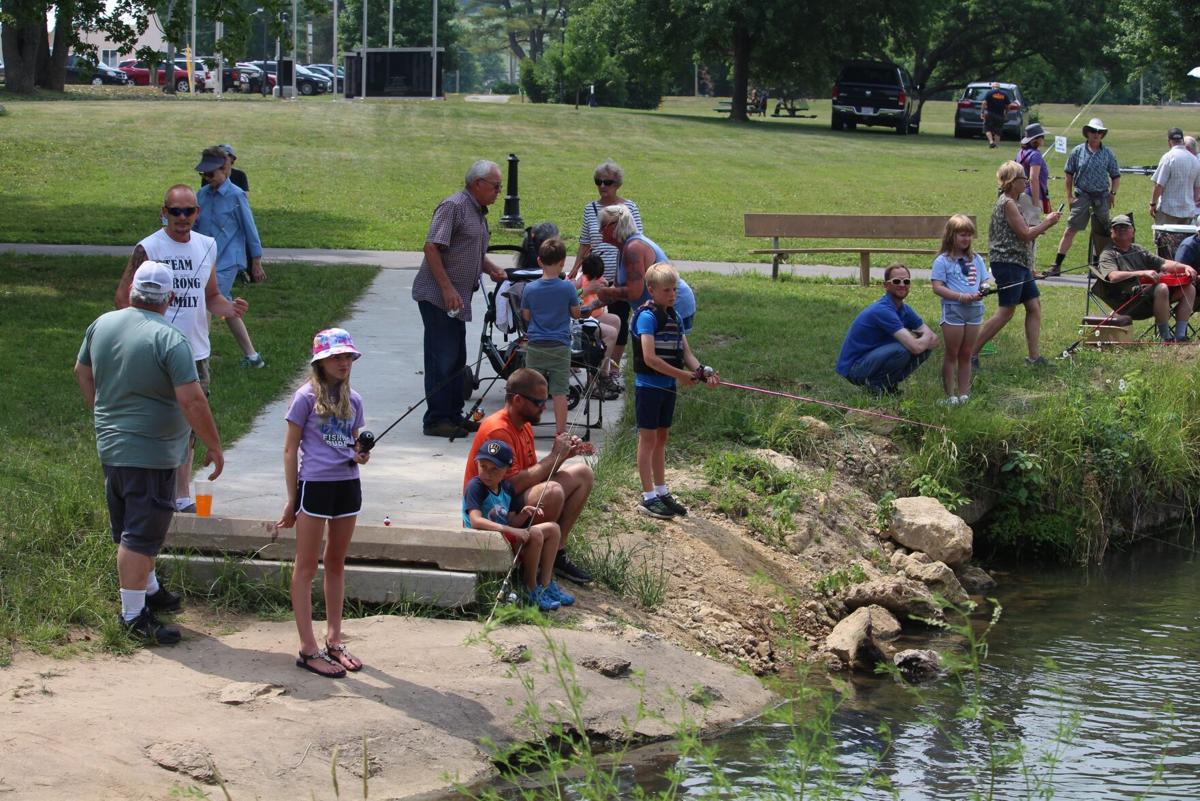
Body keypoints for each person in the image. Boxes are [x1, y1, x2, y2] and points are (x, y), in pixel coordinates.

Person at [74, 261, 224, 644]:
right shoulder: (170, 339)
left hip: (112, 447)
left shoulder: (102, 325)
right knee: (140, 535)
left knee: (137, 526)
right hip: (151, 454)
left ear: (132, 292)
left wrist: (100, 410)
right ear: (169, 298)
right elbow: (193, 400)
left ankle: (150, 589)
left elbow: (82, 371)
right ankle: (132, 617)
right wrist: (213, 444)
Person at [114, 184, 248, 513]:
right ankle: (151, 491)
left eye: (188, 211)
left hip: (195, 352)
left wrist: (229, 308)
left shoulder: (207, 246)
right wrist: (142, 333)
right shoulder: (148, 247)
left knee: (188, 424)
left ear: (197, 213)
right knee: (156, 419)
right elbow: (122, 298)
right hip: (156, 350)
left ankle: (181, 494)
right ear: (164, 212)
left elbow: (211, 296)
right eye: (175, 211)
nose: (182, 217)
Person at [276, 328, 371, 678]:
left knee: (336, 562)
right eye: (336, 357)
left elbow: (354, 443)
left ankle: (334, 640)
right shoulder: (304, 397)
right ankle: (307, 648)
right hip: (315, 485)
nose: (343, 363)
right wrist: (292, 498)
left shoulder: (354, 399)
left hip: (347, 485)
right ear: (321, 361)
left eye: (347, 357)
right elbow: (290, 449)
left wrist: (361, 454)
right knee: (305, 566)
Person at [464, 368, 596, 585]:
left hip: (510, 496)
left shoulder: (523, 425)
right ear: (517, 400)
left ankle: (556, 552)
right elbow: (510, 486)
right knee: (552, 492)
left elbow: (534, 474)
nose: (544, 407)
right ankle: (528, 562)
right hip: (494, 505)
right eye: (539, 402)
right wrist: (554, 456)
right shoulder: (499, 430)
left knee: (583, 474)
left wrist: (563, 456)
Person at [412, 159, 508, 438]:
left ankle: (453, 415)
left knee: (456, 358)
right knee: (442, 357)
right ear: (478, 183)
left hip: (457, 300)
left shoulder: (477, 211)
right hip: (438, 296)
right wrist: (447, 288)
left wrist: (491, 269)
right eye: (496, 186)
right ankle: (436, 419)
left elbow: (470, 252)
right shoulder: (453, 206)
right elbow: (431, 247)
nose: (499, 192)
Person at [631, 263, 719, 520]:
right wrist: (681, 375)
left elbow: (686, 354)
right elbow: (650, 358)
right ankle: (648, 497)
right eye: (667, 290)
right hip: (648, 388)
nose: (672, 295)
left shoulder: (675, 317)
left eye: (675, 290)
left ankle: (662, 491)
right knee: (648, 440)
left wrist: (702, 373)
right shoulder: (646, 317)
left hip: (667, 388)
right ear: (651, 290)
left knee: (662, 438)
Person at [591, 205, 698, 381]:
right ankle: (669, 384)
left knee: (667, 356)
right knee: (658, 360)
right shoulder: (624, 248)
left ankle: (672, 384)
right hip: (657, 307)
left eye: (603, 226)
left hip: (673, 302)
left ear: (616, 226)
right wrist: (593, 306)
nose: (599, 231)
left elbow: (633, 292)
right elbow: (618, 290)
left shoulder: (634, 248)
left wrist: (605, 291)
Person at [972, 161, 1062, 367]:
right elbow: (1025, 234)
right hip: (1008, 263)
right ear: (1012, 182)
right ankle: (970, 354)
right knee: (1006, 311)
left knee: (1034, 306)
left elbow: (1021, 230)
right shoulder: (1008, 204)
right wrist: (1047, 222)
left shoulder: (1012, 202)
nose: (1027, 182)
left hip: (1019, 262)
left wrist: (1038, 227)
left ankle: (1034, 357)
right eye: (1023, 178)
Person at [463, 439, 569, 611]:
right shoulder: (476, 486)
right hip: (484, 537)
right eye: (483, 466)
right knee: (535, 534)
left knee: (553, 529)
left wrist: (523, 515)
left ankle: (545, 584)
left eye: (494, 469)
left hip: (503, 535)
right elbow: (476, 521)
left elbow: (511, 521)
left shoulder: (506, 488)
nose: (487, 473)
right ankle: (530, 588)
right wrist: (512, 530)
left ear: (506, 469)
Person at [193, 146, 267, 368]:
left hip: (228, 260)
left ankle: (200, 360)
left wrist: (256, 261)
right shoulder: (201, 195)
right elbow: (194, 226)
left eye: (211, 173)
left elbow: (250, 229)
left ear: (224, 169)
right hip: (206, 260)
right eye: (204, 174)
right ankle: (253, 357)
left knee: (206, 302)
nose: (207, 178)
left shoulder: (236, 196)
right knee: (226, 305)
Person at [836, 263, 939, 395]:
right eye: (896, 281)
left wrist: (923, 340)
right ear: (886, 285)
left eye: (906, 281)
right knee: (902, 350)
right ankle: (876, 387)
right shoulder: (882, 310)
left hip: (874, 358)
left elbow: (935, 340)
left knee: (923, 349)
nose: (902, 284)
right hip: (855, 368)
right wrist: (924, 338)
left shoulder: (905, 309)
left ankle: (888, 385)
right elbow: (916, 347)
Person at [1096, 215, 1196, 341]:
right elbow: (1113, 276)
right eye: (1117, 228)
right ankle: (1166, 337)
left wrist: (1185, 267)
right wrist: (1141, 273)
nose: (1121, 230)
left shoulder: (1137, 249)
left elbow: (1164, 264)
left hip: (1149, 297)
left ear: (1133, 231)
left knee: (1189, 288)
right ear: (1111, 232)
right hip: (1127, 300)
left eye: (1125, 227)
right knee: (1161, 287)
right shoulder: (1108, 253)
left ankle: (1180, 336)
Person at [520, 237, 581, 435]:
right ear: (562, 262)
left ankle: (526, 431)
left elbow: (526, 316)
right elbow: (576, 314)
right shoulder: (568, 287)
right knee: (560, 392)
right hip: (560, 346)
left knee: (531, 389)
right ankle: (560, 433)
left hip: (536, 345)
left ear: (539, 261)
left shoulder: (530, 288)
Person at [930, 215, 989, 405]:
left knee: (967, 353)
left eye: (969, 235)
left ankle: (963, 394)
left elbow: (985, 280)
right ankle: (950, 395)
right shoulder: (942, 261)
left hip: (975, 310)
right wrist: (960, 297)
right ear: (951, 235)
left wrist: (984, 289)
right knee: (952, 353)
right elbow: (937, 287)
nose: (966, 239)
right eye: (962, 235)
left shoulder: (977, 259)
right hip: (953, 310)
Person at [1051, 118, 1120, 273]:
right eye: (1093, 131)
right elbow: (1068, 174)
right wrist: (1069, 196)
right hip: (1082, 195)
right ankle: (1057, 264)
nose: (1096, 134)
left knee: (1101, 233)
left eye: (1099, 132)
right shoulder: (1077, 151)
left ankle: (1098, 266)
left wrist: (1113, 193)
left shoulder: (1108, 153)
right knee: (1070, 229)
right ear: (1087, 133)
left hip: (1102, 197)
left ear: (1102, 135)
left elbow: (1116, 176)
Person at [576, 252, 622, 393]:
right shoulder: (580, 280)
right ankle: (596, 378)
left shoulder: (600, 279)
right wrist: (585, 290)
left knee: (615, 320)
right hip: (584, 319)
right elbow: (573, 295)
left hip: (597, 315)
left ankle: (604, 371)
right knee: (611, 333)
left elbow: (606, 285)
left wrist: (605, 287)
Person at [1150, 127, 1200, 226]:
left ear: (1169, 142)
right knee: (1183, 236)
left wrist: (1153, 204)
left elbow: (1159, 185)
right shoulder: (1194, 160)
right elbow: (1197, 189)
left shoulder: (1168, 157)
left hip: (1168, 210)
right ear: (1182, 141)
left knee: (1163, 236)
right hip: (1187, 211)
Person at [1016, 122, 1051, 215]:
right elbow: (1033, 178)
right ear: (1035, 139)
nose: (1044, 138)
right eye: (1042, 136)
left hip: (1020, 193)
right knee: (1033, 223)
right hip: (1031, 196)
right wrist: (1036, 202)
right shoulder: (1035, 154)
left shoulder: (1021, 152)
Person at [982, 82, 1015, 149]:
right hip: (1000, 115)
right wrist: (1006, 113)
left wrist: (982, 112)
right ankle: (996, 145)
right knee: (998, 130)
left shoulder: (989, 93)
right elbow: (1009, 105)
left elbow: (984, 102)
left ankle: (991, 142)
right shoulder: (1004, 94)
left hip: (990, 113)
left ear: (992, 87)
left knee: (987, 128)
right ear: (999, 87)